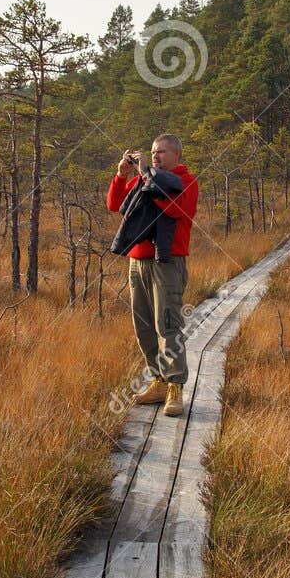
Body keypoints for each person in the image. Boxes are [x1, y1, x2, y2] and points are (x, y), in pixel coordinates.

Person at [106, 134, 199, 417]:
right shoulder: (146, 179)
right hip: (138, 261)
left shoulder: (185, 181)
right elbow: (115, 204)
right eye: (152, 152)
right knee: (144, 326)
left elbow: (171, 208)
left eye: (161, 152)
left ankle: (175, 387)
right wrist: (122, 175)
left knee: (167, 325)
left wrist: (147, 171)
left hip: (167, 262)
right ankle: (158, 381)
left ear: (176, 155)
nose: (155, 156)